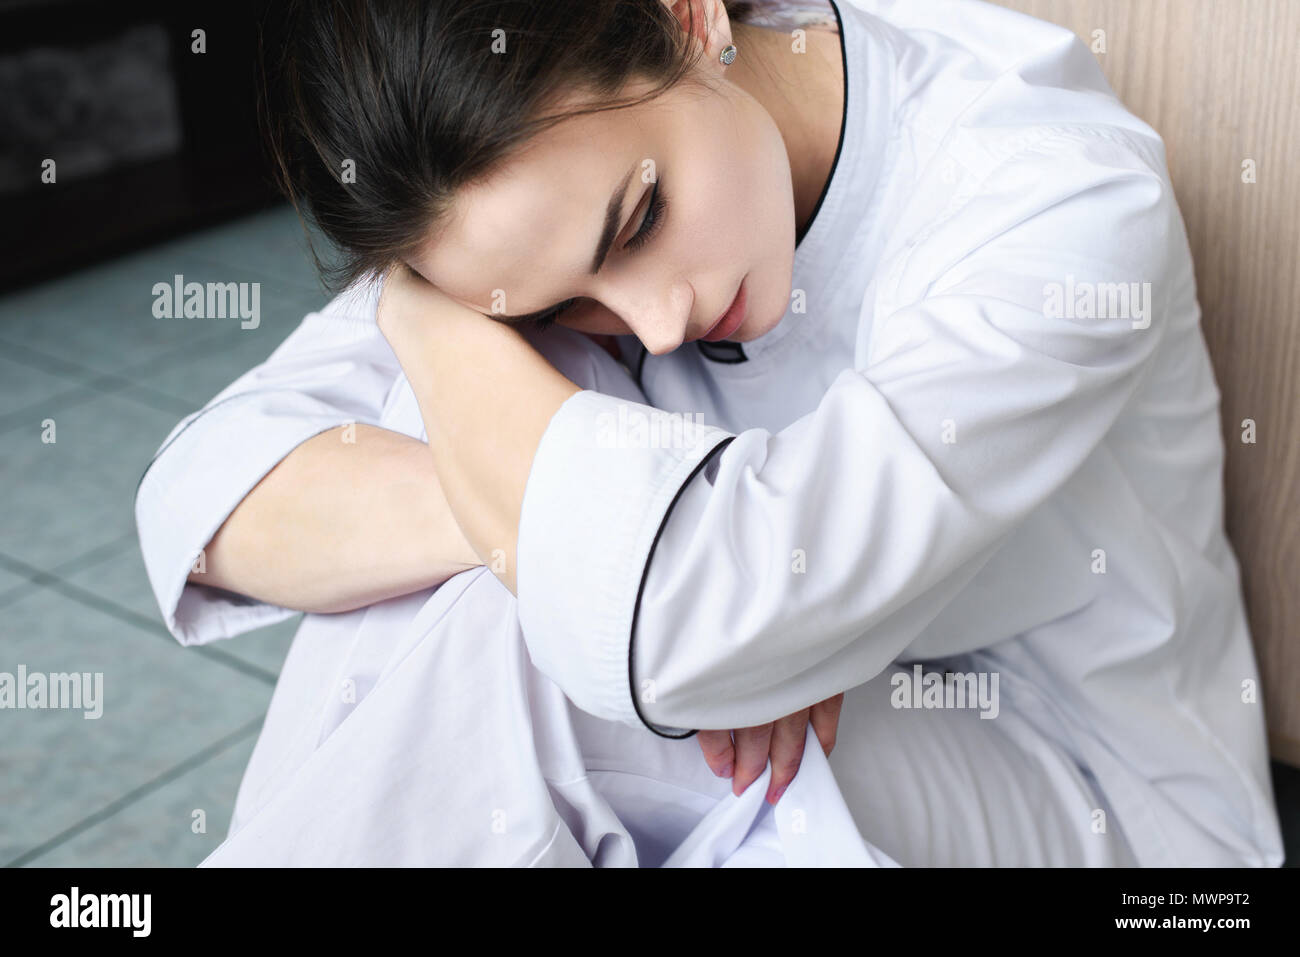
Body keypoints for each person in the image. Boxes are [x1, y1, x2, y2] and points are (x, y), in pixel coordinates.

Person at [135, 0, 1284, 866]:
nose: (655, 317)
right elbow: (208, 492)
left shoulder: (1051, 194)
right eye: (560, 302)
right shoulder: (516, 210)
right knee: (492, 579)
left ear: (689, 19)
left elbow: (690, 622)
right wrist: (519, 504)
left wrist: (632, 560)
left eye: (641, 220)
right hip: (776, 743)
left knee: (533, 638)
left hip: (1099, 800)